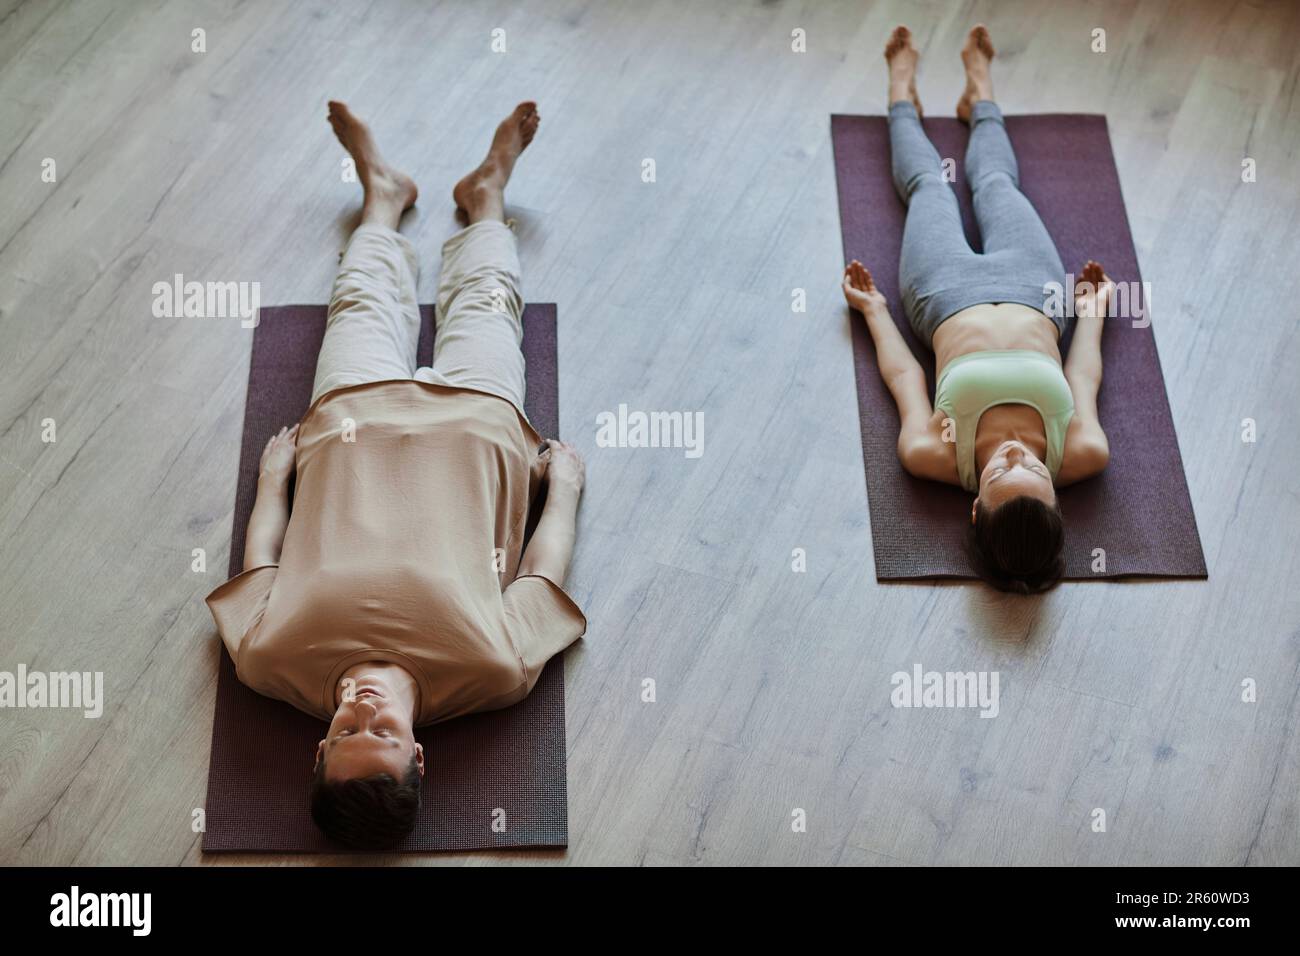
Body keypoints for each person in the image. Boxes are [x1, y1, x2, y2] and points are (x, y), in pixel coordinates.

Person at [205, 100, 587, 848]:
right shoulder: (496, 670)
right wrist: (563, 491)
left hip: (352, 419)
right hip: (480, 425)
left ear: (319, 750)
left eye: (345, 728)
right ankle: (487, 197)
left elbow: (262, 561)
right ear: (417, 753)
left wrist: (274, 479)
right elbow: (544, 571)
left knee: (360, 302)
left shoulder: (266, 660)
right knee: (487, 304)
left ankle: (382, 194)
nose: (363, 708)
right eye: (379, 730)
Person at [842, 25, 1112, 593]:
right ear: (1057, 496)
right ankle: (981, 92)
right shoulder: (1083, 450)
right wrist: (1093, 311)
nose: (1016, 456)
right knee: (993, 182)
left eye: (999, 474)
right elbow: (1081, 376)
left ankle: (900, 96)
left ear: (974, 507)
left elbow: (903, 377)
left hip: (941, 294)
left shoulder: (930, 453)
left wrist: (874, 312)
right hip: (1034, 287)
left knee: (930, 188)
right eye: (1035, 471)